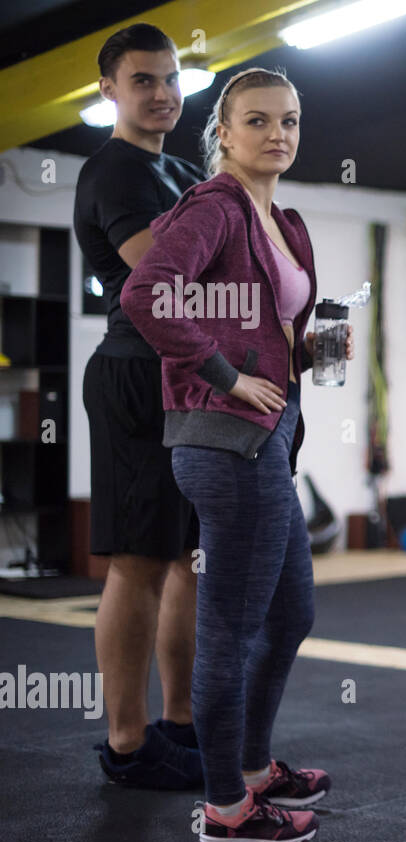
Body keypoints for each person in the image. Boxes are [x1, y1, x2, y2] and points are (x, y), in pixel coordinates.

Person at [121, 67, 352, 842]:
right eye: (258, 121)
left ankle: (251, 768)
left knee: (290, 613)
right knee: (233, 625)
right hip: (227, 442)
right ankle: (226, 808)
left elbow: (272, 332)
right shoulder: (215, 206)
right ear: (224, 131)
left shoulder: (282, 220)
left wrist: (316, 347)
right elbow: (147, 291)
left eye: (289, 120)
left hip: (271, 442)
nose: (277, 134)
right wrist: (224, 373)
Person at [74, 23, 205, 789]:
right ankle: (127, 744)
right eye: (143, 80)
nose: (161, 94)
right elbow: (162, 273)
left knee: (187, 559)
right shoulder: (115, 171)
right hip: (132, 378)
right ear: (109, 91)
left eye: (170, 79)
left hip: (191, 377)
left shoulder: (185, 170)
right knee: (137, 562)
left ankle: (177, 721)